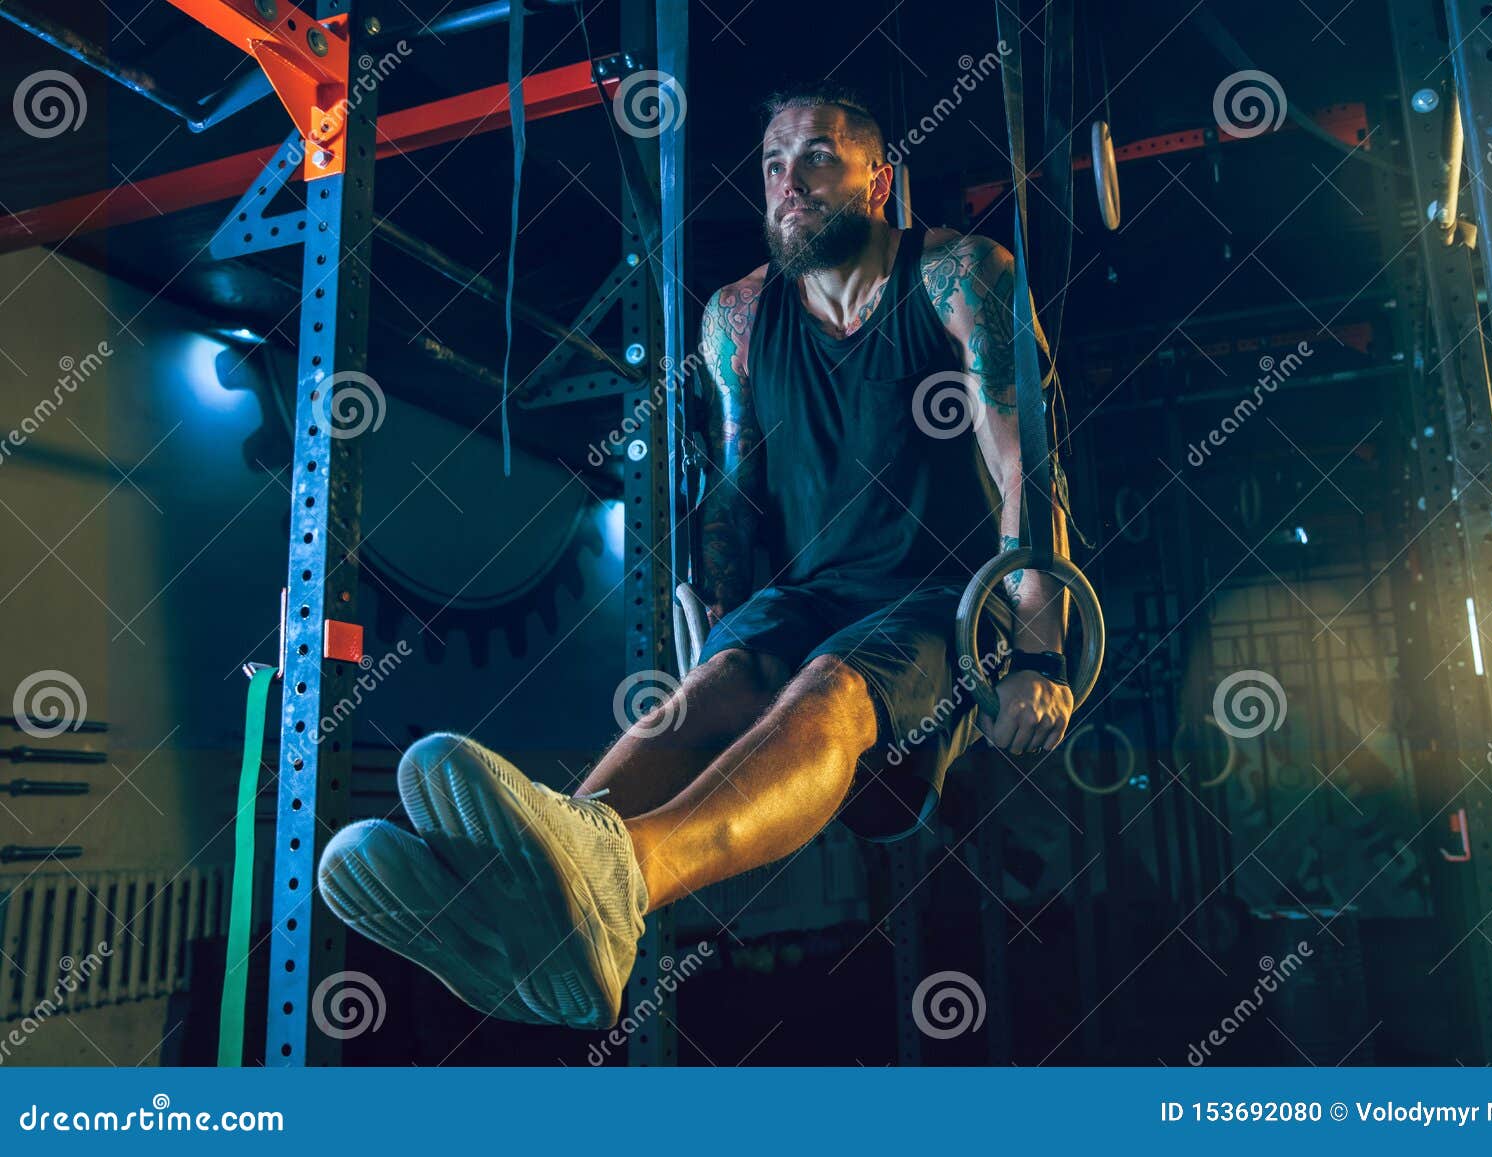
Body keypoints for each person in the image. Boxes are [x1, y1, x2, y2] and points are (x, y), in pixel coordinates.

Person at [317, 81, 1075, 1030]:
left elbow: (1024, 465)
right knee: (710, 687)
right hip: (807, 591)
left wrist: (1039, 652)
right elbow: (734, 486)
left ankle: (620, 877)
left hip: (940, 601)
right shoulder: (739, 315)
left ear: (878, 180)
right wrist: (718, 624)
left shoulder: (959, 276)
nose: (788, 183)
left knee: (827, 687)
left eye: (816, 158)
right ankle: (521, 894)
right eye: (772, 164)